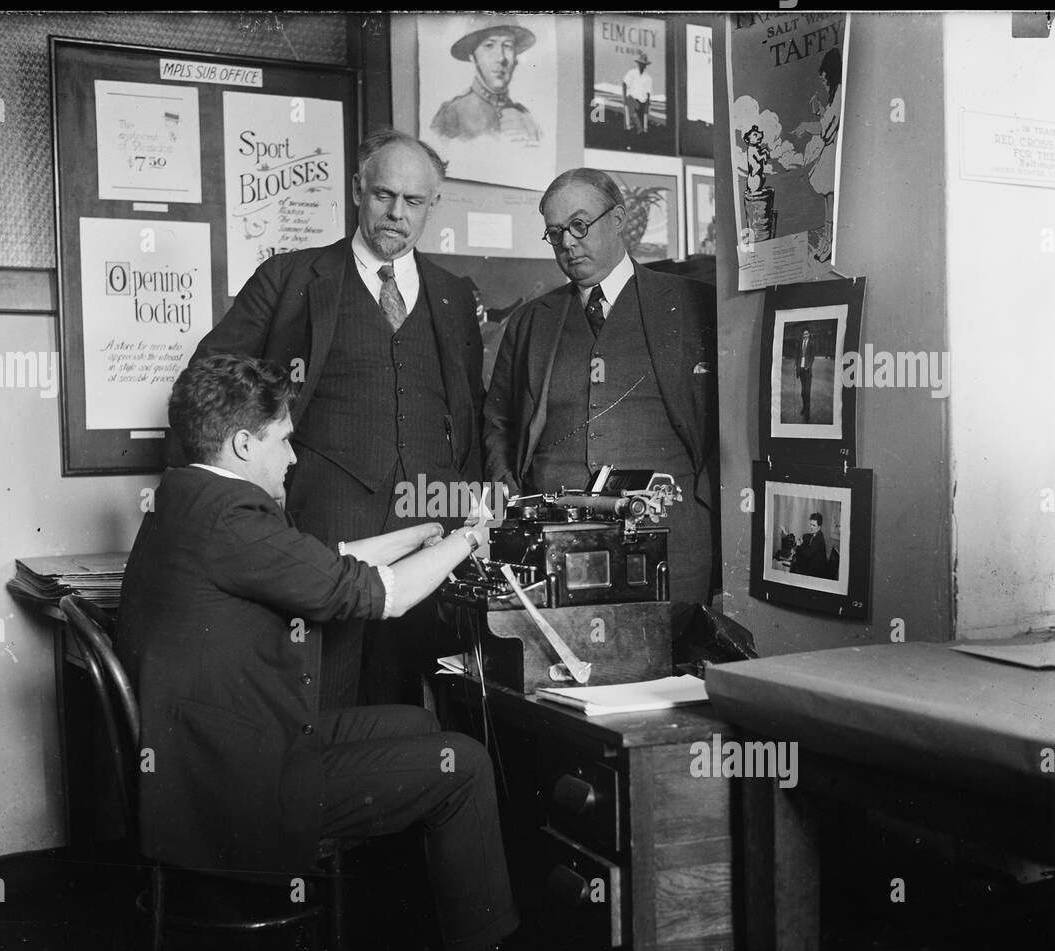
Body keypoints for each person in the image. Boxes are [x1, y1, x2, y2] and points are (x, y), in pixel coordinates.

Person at [117, 353, 555, 951]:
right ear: (243, 443)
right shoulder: (235, 517)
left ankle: (439, 926)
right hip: (238, 785)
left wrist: (416, 539)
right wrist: (469, 539)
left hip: (205, 757)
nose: (293, 458)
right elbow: (386, 599)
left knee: (416, 722)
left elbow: (315, 563)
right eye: (284, 440)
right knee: (461, 764)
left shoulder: (187, 497)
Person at [189, 129, 485, 711]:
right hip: (325, 530)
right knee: (323, 705)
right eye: (383, 195)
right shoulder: (291, 279)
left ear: (433, 206)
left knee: (409, 712)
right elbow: (208, 380)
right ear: (357, 189)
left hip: (429, 527)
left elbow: (467, 411)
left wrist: (466, 511)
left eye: (414, 202)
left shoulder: (452, 296)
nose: (397, 214)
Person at [482, 168, 719, 613]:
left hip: (673, 542)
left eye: (578, 225)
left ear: (618, 219)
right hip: (555, 547)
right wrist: (508, 495)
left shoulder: (693, 305)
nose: (568, 243)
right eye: (554, 234)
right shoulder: (532, 321)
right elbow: (499, 421)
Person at [430, 21, 542, 144]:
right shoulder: (452, 113)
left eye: (508, 46)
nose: (500, 58)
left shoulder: (525, 116)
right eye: (489, 45)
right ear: (473, 57)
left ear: (515, 59)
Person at [793, 47, 843, 262]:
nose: (823, 82)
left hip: (834, 153)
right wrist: (820, 110)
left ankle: (829, 245)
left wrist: (806, 124)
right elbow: (828, 121)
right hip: (831, 152)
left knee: (831, 202)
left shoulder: (840, 92)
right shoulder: (835, 95)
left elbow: (826, 129)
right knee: (828, 203)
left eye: (824, 77)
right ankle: (827, 243)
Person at [790, 512, 831, 578]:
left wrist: (798, 546)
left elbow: (807, 553)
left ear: (819, 527)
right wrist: (803, 537)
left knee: (794, 566)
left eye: (814, 525)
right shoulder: (815, 534)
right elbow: (808, 536)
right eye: (810, 524)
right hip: (811, 565)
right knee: (795, 562)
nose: (811, 527)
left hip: (814, 573)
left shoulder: (819, 539)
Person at [621, 50, 652, 135]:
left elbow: (648, 92)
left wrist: (648, 103)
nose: (642, 65)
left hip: (642, 102)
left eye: (644, 64)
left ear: (645, 65)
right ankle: (630, 132)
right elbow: (624, 84)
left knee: (641, 122)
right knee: (633, 121)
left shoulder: (648, 77)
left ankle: (637, 136)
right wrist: (624, 98)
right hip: (632, 99)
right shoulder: (632, 73)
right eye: (641, 63)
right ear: (638, 63)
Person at [794, 326, 814, 422]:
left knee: (807, 393)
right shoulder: (800, 344)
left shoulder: (811, 344)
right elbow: (797, 356)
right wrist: (797, 365)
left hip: (807, 371)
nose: (805, 336)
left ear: (809, 335)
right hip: (801, 370)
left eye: (806, 334)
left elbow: (812, 357)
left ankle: (807, 414)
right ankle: (804, 408)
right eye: (804, 334)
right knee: (803, 393)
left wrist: (808, 366)